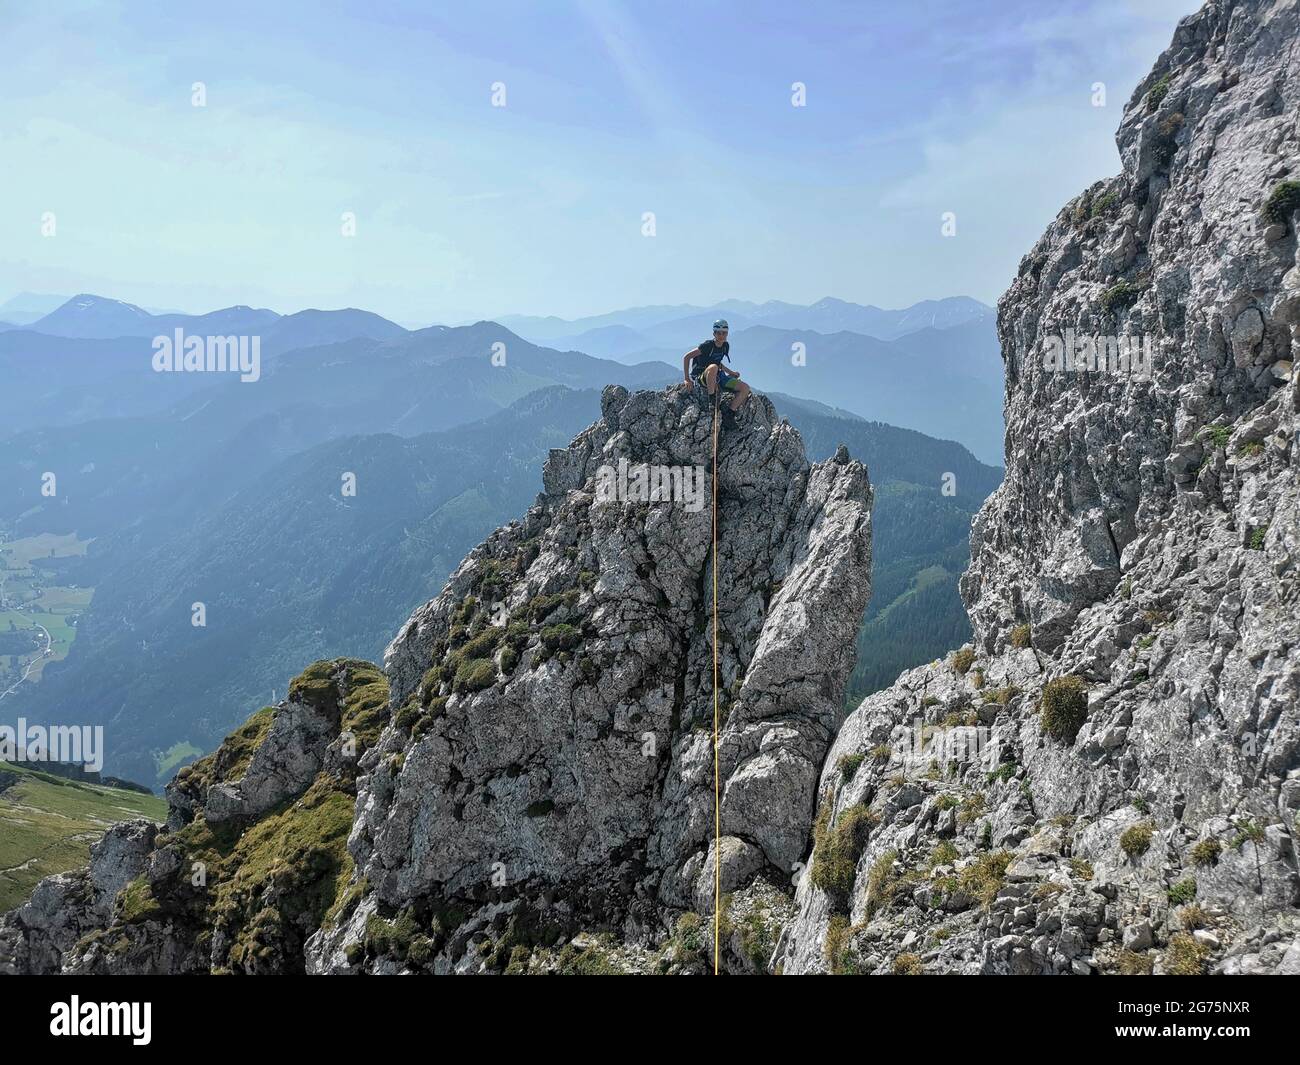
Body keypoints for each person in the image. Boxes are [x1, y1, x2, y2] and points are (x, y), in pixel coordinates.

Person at [683, 319, 751, 414]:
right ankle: (712, 399)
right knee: (713, 367)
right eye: (719, 333)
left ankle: (730, 413)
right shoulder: (707, 346)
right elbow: (687, 357)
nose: (722, 336)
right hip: (701, 377)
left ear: (727, 334)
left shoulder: (725, 346)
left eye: (724, 333)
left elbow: (718, 363)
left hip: (718, 376)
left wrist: (731, 373)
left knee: (745, 388)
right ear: (714, 334)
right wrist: (687, 378)